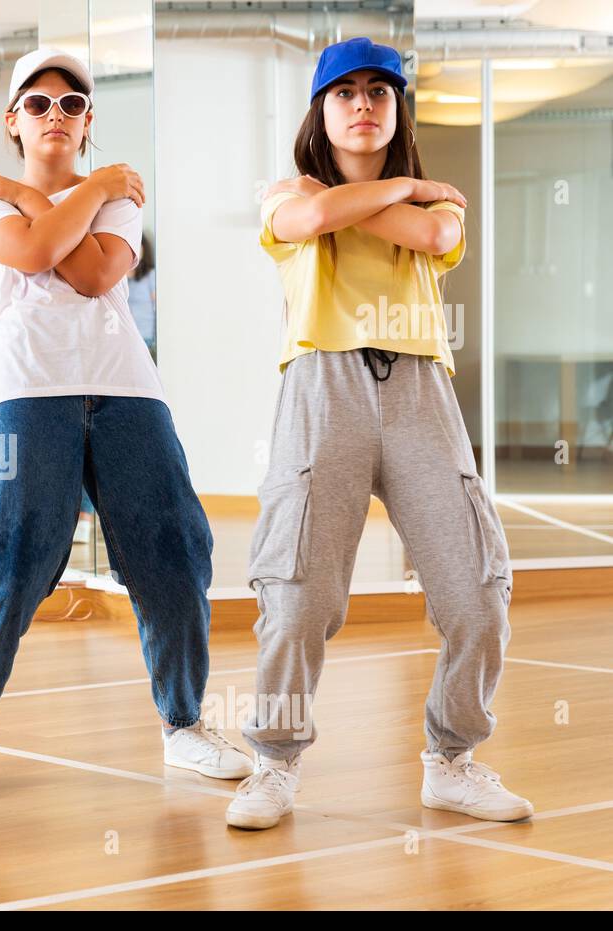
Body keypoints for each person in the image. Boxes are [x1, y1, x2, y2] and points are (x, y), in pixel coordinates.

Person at [0, 47, 251, 800]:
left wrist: (60, 189)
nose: (55, 116)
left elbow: (96, 274)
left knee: (176, 548)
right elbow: (41, 252)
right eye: (37, 104)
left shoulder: (110, 198)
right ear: (13, 120)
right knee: (15, 559)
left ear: (87, 120)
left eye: (71, 105)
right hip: (24, 390)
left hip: (128, 389)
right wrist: (85, 186)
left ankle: (185, 726)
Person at [228, 36, 532, 830]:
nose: (362, 105)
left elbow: (431, 238)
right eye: (344, 93)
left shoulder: (437, 211)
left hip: (421, 392)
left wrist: (399, 197)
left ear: (397, 109)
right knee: (297, 594)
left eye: (378, 92)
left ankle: (452, 759)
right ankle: (274, 761)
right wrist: (410, 184)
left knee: (476, 588)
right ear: (320, 113)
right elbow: (314, 213)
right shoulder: (290, 193)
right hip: (321, 386)